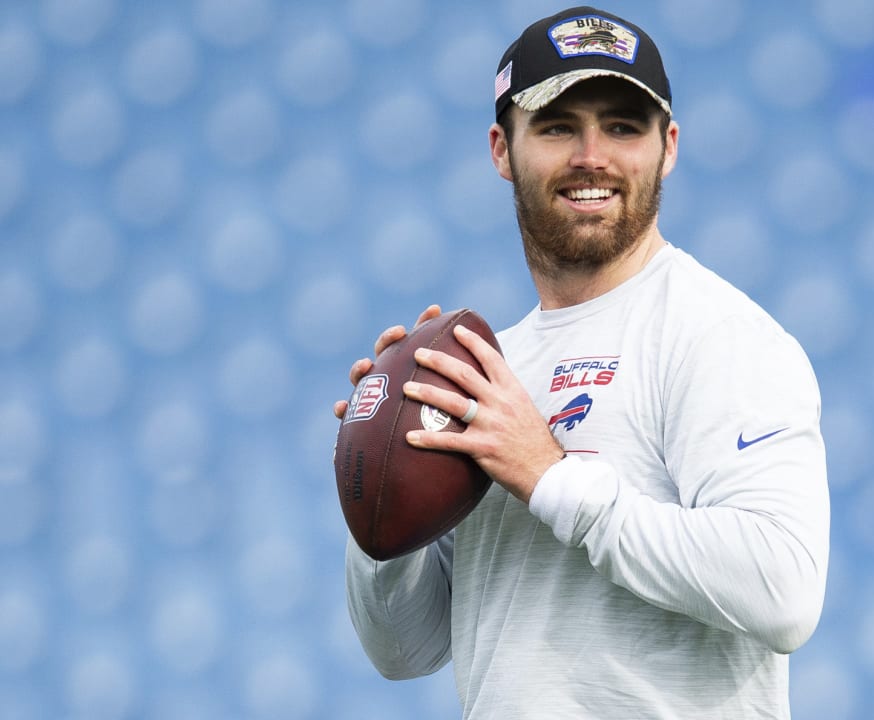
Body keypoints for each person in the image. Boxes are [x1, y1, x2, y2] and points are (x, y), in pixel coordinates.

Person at [335, 6, 830, 718]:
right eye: (558, 125)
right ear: (502, 149)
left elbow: (784, 593)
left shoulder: (720, 336)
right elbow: (403, 650)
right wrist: (376, 476)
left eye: (624, 127)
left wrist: (552, 477)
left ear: (669, 148)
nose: (591, 154)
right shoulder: (487, 369)